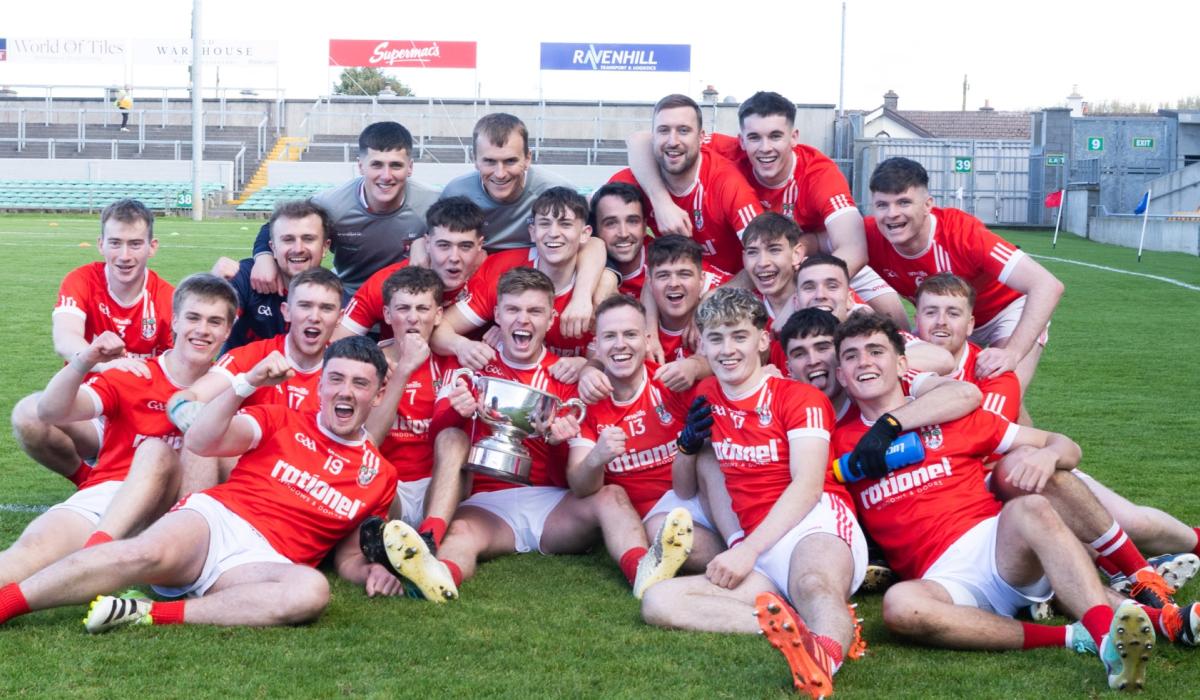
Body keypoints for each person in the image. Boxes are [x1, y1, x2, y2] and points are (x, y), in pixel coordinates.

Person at [829, 313, 1197, 692]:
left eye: (876, 351)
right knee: (900, 607)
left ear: (902, 363)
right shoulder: (835, 445)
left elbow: (1065, 445)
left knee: (1030, 507)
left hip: (999, 548)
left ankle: (1109, 639)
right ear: (841, 374)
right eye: (852, 356)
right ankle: (1085, 635)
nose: (865, 362)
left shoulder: (951, 417)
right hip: (941, 578)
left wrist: (1048, 456)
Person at [0, 337, 408, 631]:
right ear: (320, 384)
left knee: (311, 592)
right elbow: (202, 440)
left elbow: (350, 557)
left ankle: (144, 614)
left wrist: (373, 572)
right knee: (138, 553)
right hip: (215, 521)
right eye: (336, 379)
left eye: (360, 383)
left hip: (262, 563)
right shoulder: (281, 419)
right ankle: (5, 605)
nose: (346, 392)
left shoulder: (381, 477)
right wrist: (246, 384)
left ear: (378, 393)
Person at [361, 268, 683, 601]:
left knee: (612, 496)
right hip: (489, 507)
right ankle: (436, 576)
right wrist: (457, 409)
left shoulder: (569, 375)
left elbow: (576, 479)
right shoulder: (473, 365)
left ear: (550, 317)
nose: (523, 320)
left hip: (553, 505)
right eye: (513, 310)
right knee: (460, 534)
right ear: (497, 315)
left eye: (534, 311)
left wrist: (558, 440)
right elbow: (441, 437)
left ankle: (643, 570)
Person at [915, 273, 1200, 595]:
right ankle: (1120, 572)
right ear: (916, 319)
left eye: (953, 313)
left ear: (970, 324)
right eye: (930, 312)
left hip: (1022, 465)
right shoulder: (900, 358)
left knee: (1134, 523)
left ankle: (1189, 545)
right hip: (970, 482)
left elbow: (977, 438)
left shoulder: (991, 368)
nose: (941, 322)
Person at [0, 274, 236, 588]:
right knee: (30, 551)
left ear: (228, 330)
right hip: (110, 494)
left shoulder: (234, 386)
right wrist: (85, 360)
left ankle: (104, 558)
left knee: (160, 451)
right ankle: (94, 556)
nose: (202, 330)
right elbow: (51, 411)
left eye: (215, 321)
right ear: (175, 321)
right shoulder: (135, 374)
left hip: (177, 513)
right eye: (193, 318)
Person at [627, 90, 908, 327]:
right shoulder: (730, 151)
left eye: (775, 136)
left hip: (818, 256)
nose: (764, 148)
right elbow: (641, 139)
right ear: (741, 139)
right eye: (755, 138)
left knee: (891, 314)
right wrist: (661, 201)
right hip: (759, 260)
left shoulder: (819, 174)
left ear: (794, 137)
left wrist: (807, 289)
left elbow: (854, 249)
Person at [864, 157, 1064, 420]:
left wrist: (1012, 352)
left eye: (903, 202)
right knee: (933, 392)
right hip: (945, 319)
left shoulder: (963, 234)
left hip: (1005, 313)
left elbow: (1047, 285)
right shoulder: (867, 235)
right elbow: (819, 242)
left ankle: (1040, 455)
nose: (892, 214)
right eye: (882, 205)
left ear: (927, 206)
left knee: (1002, 393)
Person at [12, 198, 174, 486]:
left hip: (144, 418)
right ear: (101, 245)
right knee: (27, 416)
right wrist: (100, 361)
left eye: (135, 244)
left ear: (153, 247)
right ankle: (88, 483)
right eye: (115, 243)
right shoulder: (82, 280)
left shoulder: (167, 298)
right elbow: (64, 338)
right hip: (92, 411)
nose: (124, 255)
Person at [568, 295, 727, 585]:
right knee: (659, 530)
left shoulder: (669, 381)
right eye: (609, 336)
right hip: (653, 519)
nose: (620, 344)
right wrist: (597, 457)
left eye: (630, 334)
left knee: (707, 455)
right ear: (597, 346)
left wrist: (696, 364)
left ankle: (743, 545)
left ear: (646, 339)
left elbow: (726, 375)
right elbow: (580, 486)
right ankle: (739, 558)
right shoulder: (587, 401)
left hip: (700, 496)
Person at [416, 113, 611, 340]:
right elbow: (435, 235)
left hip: (524, 285)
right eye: (489, 161)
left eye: (510, 161)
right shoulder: (458, 191)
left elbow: (592, 242)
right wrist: (420, 244)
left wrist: (583, 296)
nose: (500, 173)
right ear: (475, 159)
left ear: (528, 158)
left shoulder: (553, 189)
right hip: (479, 285)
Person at [248, 121, 438, 297]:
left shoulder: (433, 203)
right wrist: (263, 257)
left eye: (396, 165)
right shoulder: (333, 204)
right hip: (348, 297)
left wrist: (423, 241)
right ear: (360, 166)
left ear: (410, 168)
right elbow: (276, 226)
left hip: (405, 300)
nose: (386, 176)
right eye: (377, 165)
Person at [431, 187, 600, 377]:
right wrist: (461, 346)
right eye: (545, 224)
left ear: (585, 234)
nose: (553, 233)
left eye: (565, 224)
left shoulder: (598, 285)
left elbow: (620, 353)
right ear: (532, 232)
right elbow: (438, 330)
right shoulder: (502, 270)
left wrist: (588, 365)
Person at [609, 94, 764, 274]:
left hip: (727, 287)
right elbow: (589, 237)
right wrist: (662, 203)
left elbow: (764, 254)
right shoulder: (633, 180)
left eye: (683, 131)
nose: (673, 141)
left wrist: (717, 294)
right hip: (672, 284)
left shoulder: (728, 184)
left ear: (701, 138)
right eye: (663, 131)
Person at [360, 266, 460, 532]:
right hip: (390, 489)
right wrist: (403, 370)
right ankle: (386, 531)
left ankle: (432, 533)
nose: (413, 318)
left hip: (438, 489)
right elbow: (370, 438)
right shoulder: (366, 364)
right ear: (387, 314)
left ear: (438, 315)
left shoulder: (454, 363)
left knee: (456, 440)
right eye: (403, 309)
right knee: (360, 456)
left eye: (422, 309)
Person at [334, 196, 487, 342]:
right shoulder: (387, 284)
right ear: (427, 243)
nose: (454, 257)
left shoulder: (493, 277)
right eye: (443, 245)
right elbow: (335, 345)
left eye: (465, 246)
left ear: (480, 245)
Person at [211, 199, 332, 350]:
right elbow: (208, 328)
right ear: (272, 247)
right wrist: (211, 287)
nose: (298, 248)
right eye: (288, 239)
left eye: (308, 239)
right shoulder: (246, 277)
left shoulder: (333, 292)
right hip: (240, 372)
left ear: (325, 247)